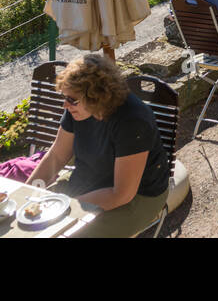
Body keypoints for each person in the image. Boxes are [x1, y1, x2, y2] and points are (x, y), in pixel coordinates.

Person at [27, 53, 169, 238]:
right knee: (27, 226)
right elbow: (57, 155)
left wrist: (70, 208)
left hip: (137, 198)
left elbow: (121, 195)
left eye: (71, 99)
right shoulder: (78, 108)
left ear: (96, 96)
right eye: (65, 97)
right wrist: (28, 193)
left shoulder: (132, 121)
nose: (65, 105)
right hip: (90, 182)